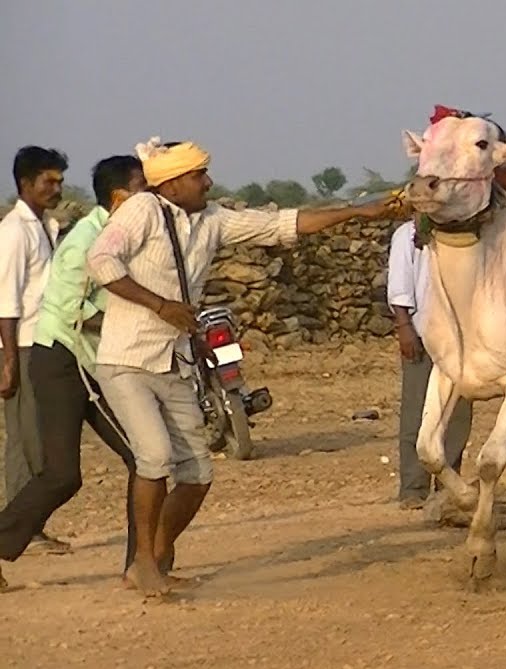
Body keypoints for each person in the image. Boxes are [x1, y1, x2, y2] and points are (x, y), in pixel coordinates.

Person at [86, 137, 396, 596]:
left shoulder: (211, 221)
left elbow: (281, 225)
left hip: (173, 362)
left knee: (197, 474)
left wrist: (358, 212)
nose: (208, 182)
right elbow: (101, 261)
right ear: (170, 184)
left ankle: (152, 558)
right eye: (198, 175)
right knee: (153, 456)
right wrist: (160, 304)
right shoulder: (141, 211)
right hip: (126, 360)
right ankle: (145, 562)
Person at [0, 156, 147, 591]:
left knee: (141, 458)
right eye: (49, 180)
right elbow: (21, 304)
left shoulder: (66, 229)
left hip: (75, 355)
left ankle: (145, 562)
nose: (57, 188)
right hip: (58, 354)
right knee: (55, 468)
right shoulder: (83, 237)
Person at [0, 146, 71, 557]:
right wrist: (9, 362)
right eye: (49, 181)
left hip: (41, 342)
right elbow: (6, 301)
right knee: (26, 441)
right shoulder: (15, 230)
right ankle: (19, 527)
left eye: (59, 181)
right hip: (22, 345)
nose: (56, 188)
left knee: (34, 438)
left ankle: (26, 527)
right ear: (25, 183)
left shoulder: (45, 225)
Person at [387, 218, 472, 508]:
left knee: (457, 417)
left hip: (461, 337)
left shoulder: (464, 233)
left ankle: (448, 485)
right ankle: (413, 488)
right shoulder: (408, 234)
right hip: (423, 334)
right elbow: (399, 286)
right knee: (417, 411)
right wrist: (404, 327)